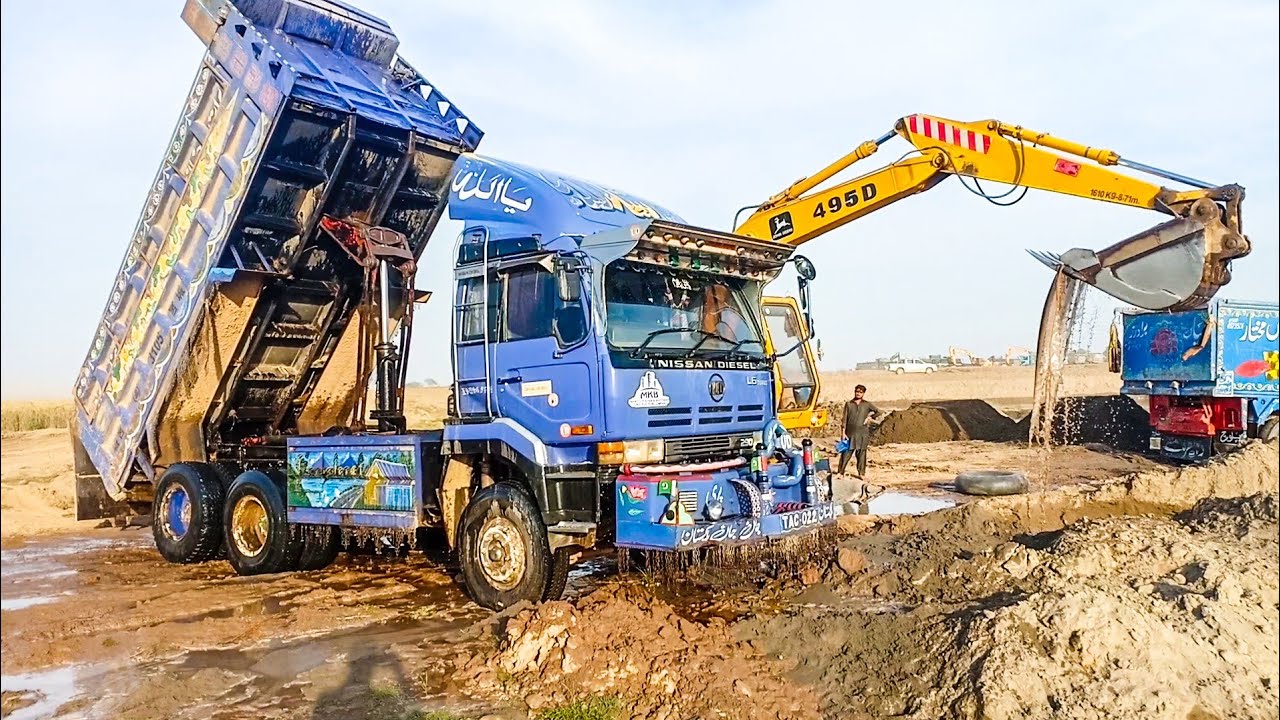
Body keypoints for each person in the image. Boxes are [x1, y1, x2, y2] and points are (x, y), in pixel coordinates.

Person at [839, 384, 882, 479]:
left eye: (860, 392)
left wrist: (870, 417)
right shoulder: (849, 404)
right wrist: (843, 432)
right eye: (857, 391)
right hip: (850, 433)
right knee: (846, 453)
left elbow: (878, 411)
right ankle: (840, 473)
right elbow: (844, 419)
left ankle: (861, 474)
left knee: (861, 454)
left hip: (863, 433)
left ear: (863, 393)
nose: (858, 393)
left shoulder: (867, 404)